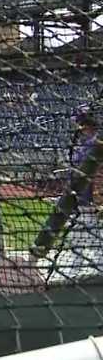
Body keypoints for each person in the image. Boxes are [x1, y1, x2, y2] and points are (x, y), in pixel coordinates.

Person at [65, 104, 100, 277]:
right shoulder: (83, 144)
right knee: (79, 239)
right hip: (78, 201)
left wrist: (98, 200)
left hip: (89, 202)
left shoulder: (94, 144)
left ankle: (86, 272)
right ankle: (75, 272)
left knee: (94, 240)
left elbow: (99, 174)